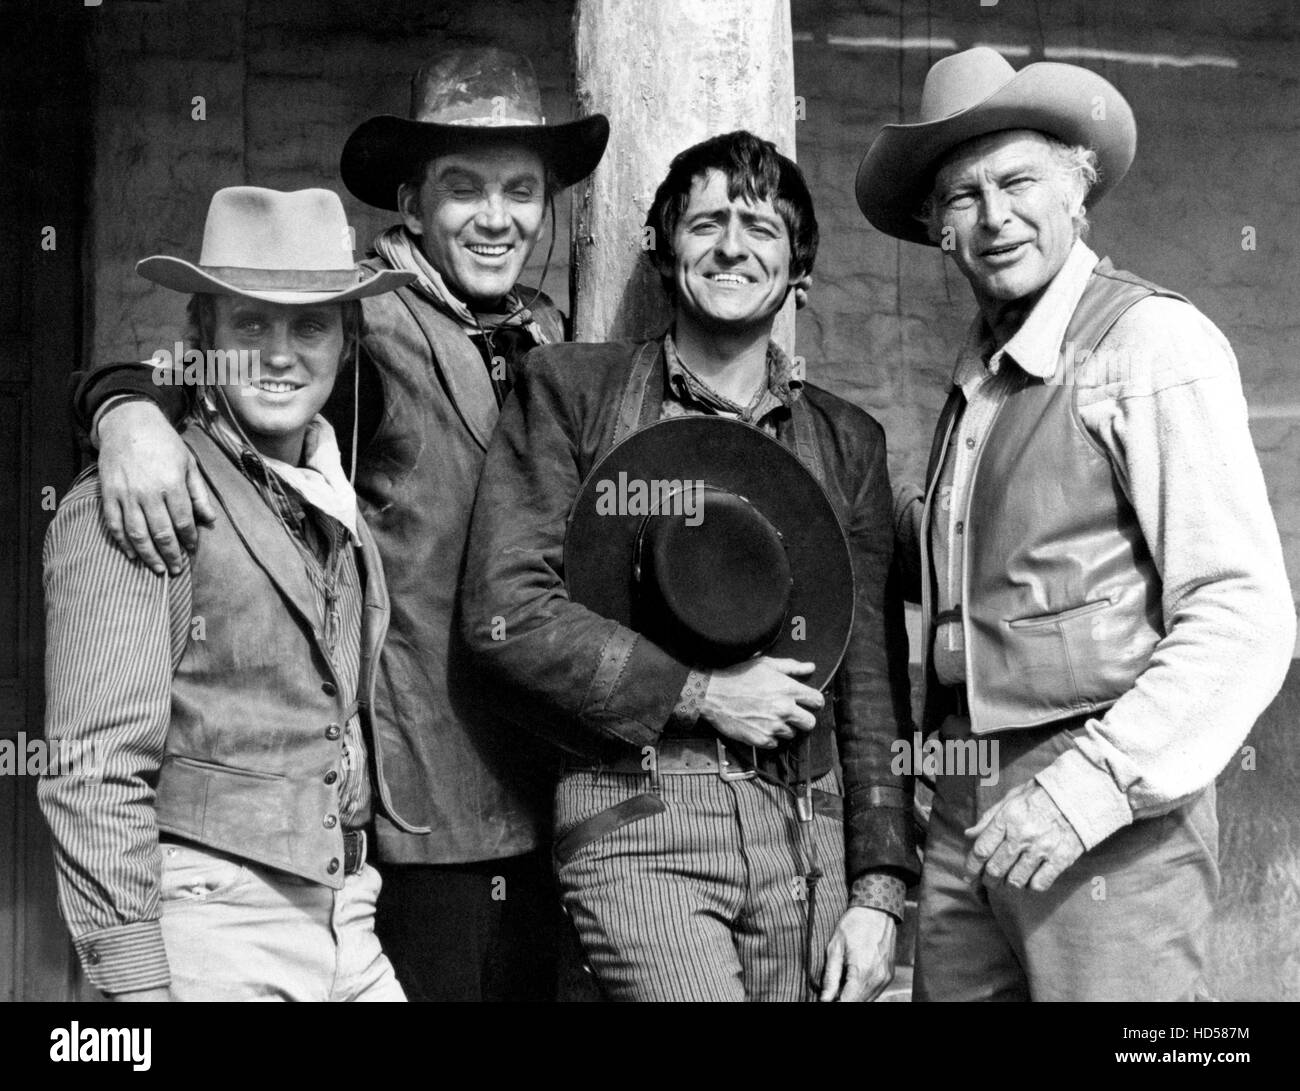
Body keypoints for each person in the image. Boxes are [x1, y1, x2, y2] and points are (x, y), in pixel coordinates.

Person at [68, 48, 610, 1001]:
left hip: (544, 806)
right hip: (417, 824)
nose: (497, 217)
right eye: (463, 188)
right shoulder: (368, 321)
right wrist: (121, 408)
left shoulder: (550, 334)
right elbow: (239, 366)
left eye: (521, 189)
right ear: (410, 199)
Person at [855, 46, 1296, 1001]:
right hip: (964, 791)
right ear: (938, 230)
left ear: (1076, 193)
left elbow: (1244, 612)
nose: (995, 215)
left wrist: (1091, 785)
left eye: (1019, 181)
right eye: (963, 197)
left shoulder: (1151, 343)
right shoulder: (976, 379)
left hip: (1104, 801)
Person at [460, 131, 917, 1002]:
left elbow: (866, 679)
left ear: (800, 270)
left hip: (805, 830)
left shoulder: (846, 440)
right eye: (706, 223)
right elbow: (505, 611)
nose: (732, 246)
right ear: (666, 254)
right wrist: (699, 692)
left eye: (761, 228)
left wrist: (879, 890)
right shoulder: (572, 391)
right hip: (637, 812)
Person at [39, 186, 423, 1001]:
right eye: (250, 324)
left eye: (310, 325)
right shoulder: (143, 492)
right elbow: (91, 766)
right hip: (209, 924)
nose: (280, 354)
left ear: (346, 342)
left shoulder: (326, 494)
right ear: (202, 336)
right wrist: (138, 990)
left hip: (346, 919)